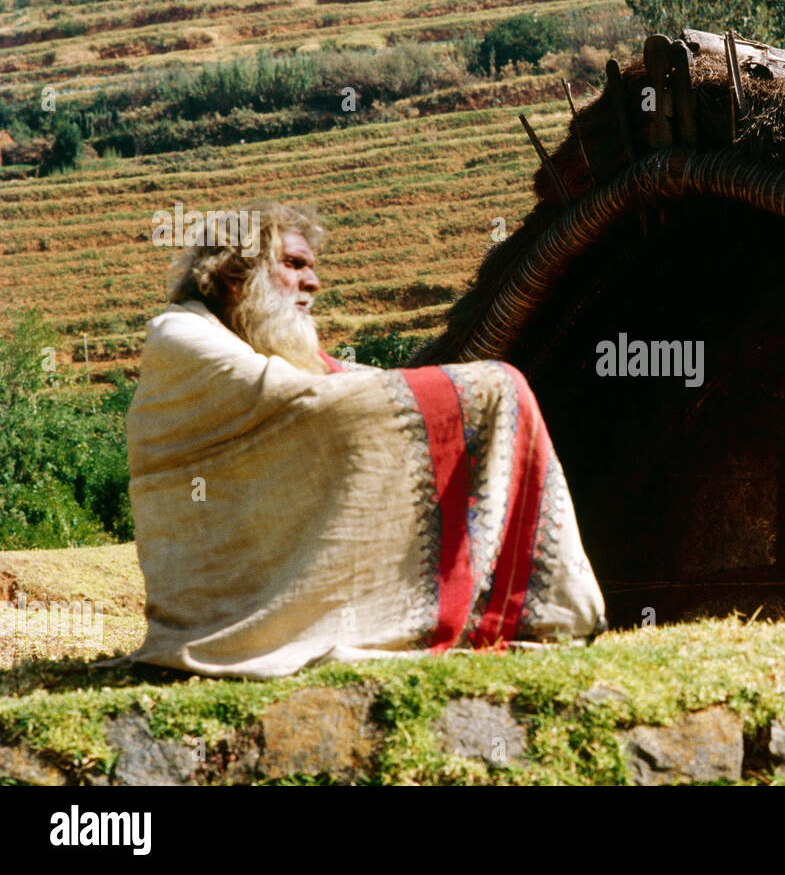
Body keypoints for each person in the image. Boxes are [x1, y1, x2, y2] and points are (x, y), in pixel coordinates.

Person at [124, 200, 606, 678]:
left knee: (492, 388)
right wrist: (470, 395)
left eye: (311, 267)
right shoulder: (179, 335)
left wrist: (459, 394)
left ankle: (499, 610)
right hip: (217, 615)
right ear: (234, 273)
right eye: (294, 264)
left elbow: (350, 382)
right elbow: (306, 401)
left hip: (242, 603)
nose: (313, 283)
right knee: (494, 387)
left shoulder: (263, 348)